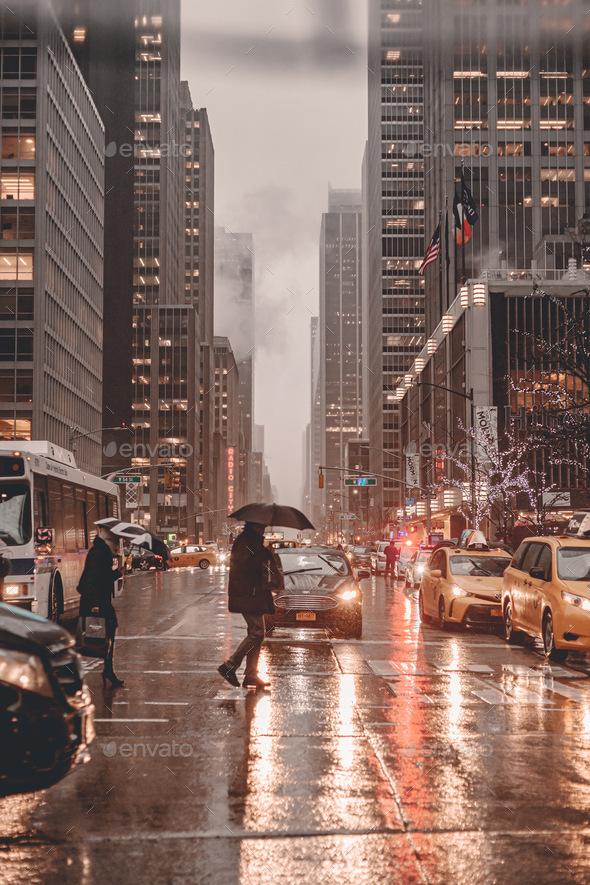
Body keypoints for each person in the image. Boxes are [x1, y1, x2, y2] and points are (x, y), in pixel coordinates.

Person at [218, 522, 283, 690]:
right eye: (261, 526)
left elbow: (256, 563)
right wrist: (265, 554)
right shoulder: (246, 542)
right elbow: (249, 565)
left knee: (257, 633)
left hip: (253, 594)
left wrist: (265, 553)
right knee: (256, 633)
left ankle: (251, 675)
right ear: (254, 527)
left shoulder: (251, 542)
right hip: (248, 594)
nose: (264, 529)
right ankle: (230, 665)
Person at [77, 527, 124, 688]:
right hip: (95, 602)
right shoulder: (98, 553)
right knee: (88, 639)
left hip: (99, 601)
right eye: (116, 541)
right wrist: (95, 605)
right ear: (109, 541)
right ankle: (73, 671)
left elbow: (102, 577)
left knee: (107, 633)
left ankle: (108, 670)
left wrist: (118, 572)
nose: (117, 546)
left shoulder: (101, 552)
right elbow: (91, 579)